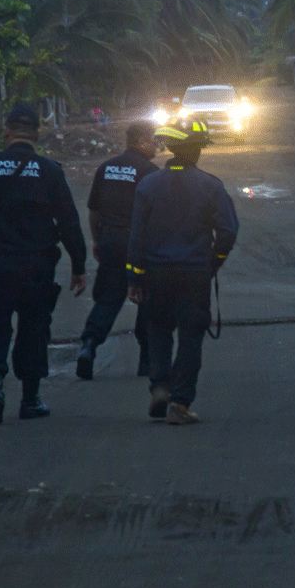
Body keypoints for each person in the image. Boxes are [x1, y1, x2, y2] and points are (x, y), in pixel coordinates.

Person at [0, 104, 87, 425]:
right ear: (37, 135)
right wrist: (79, 265)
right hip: (36, 267)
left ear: (7, 132)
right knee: (34, 329)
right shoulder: (50, 171)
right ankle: (30, 399)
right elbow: (69, 223)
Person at [127, 119, 238, 425]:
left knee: (159, 330)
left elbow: (136, 236)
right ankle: (180, 402)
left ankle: (160, 386)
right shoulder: (211, 185)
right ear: (196, 151)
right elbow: (228, 231)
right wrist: (213, 262)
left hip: (156, 274)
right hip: (194, 274)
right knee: (190, 337)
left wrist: (134, 277)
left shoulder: (148, 185)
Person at [75, 121, 161, 380]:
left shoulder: (106, 168)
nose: (158, 145)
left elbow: (94, 211)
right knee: (147, 298)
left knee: (108, 299)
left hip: (110, 241)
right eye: (154, 140)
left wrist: (97, 241)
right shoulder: (151, 172)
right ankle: (146, 360)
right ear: (142, 141)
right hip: (140, 246)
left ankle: (89, 345)